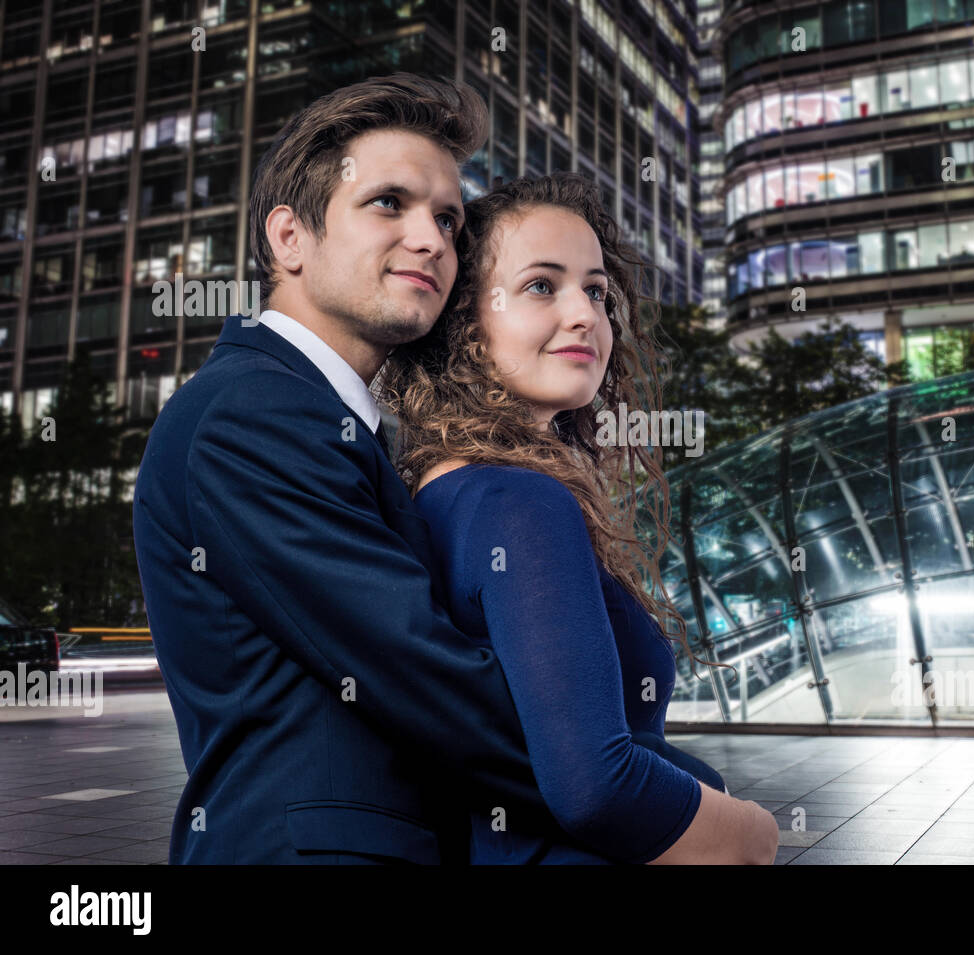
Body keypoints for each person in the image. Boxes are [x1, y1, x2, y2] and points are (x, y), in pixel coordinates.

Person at [132, 72, 774, 865]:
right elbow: (432, 679)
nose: (432, 237)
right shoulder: (249, 415)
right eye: (388, 203)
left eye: (446, 217)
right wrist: (687, 801)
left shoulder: (365, 438)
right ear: (289, 237)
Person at [376, 172, 778, 864]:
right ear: (465, 318)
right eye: (542, 285)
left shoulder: (443, 492)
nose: (586, 314)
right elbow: (596, 784)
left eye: (595, 290)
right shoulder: (520, 503)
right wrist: (753, 833)